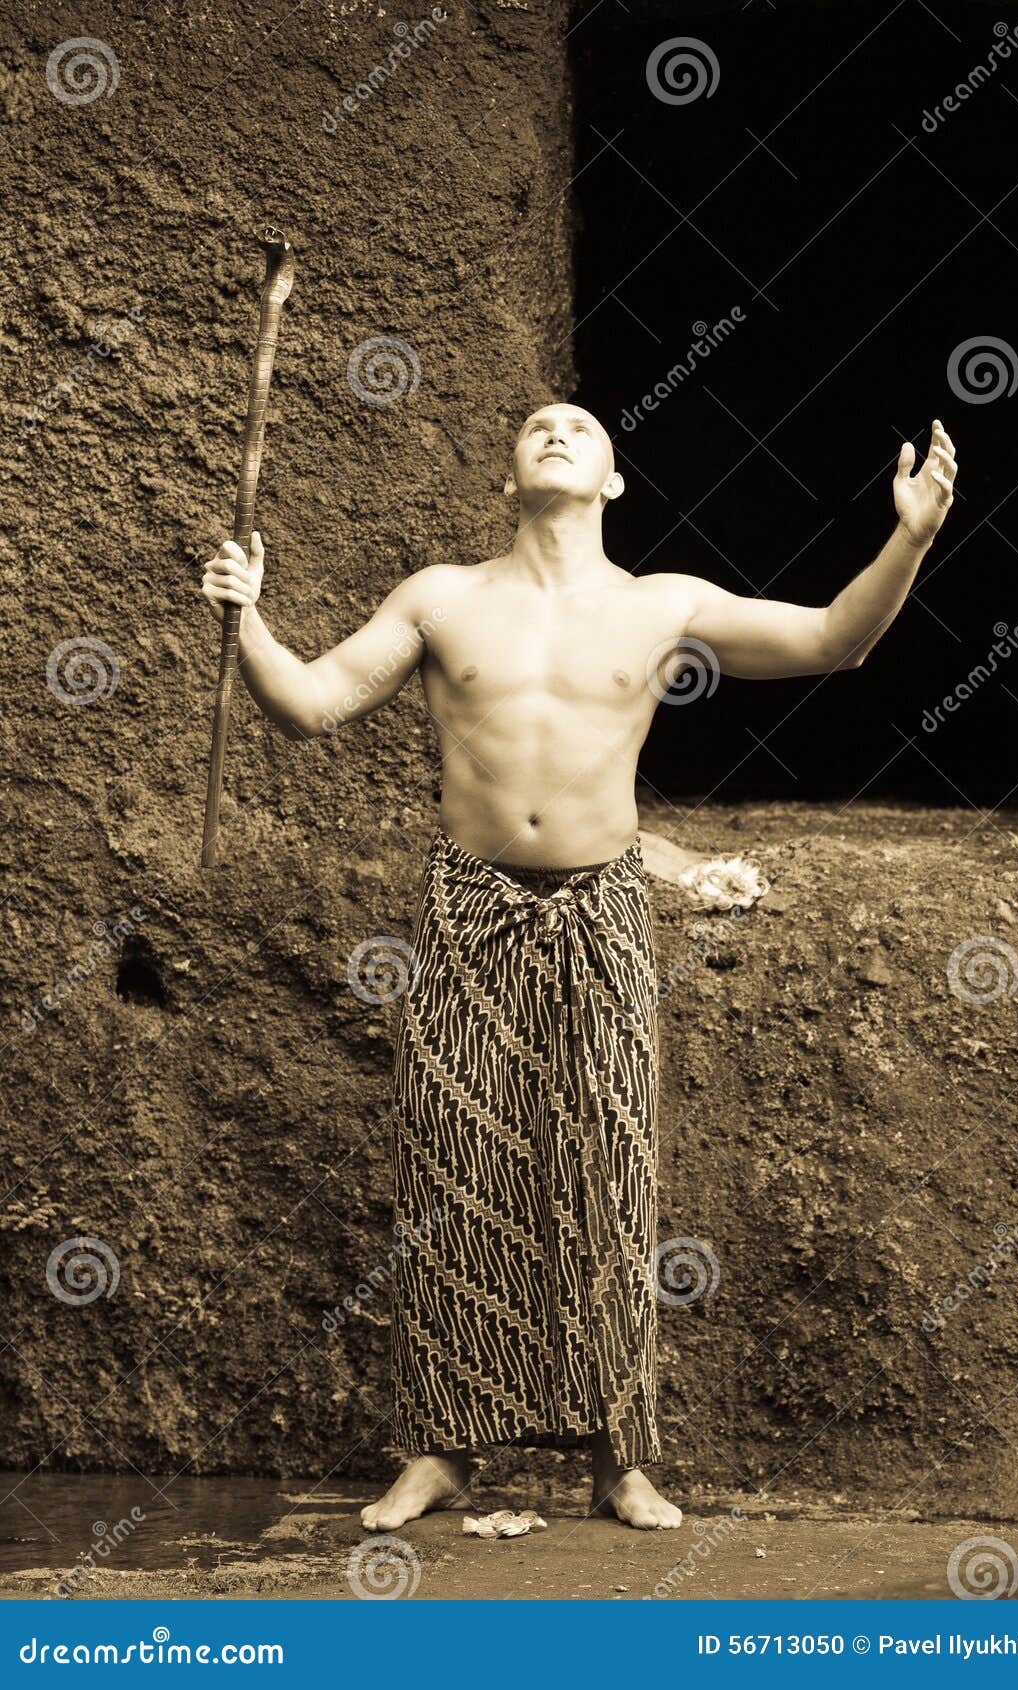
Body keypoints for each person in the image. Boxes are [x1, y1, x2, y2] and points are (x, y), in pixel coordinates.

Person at [201, 402, 957, 1531]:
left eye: (579, 427)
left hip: (602, 905)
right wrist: (247, 617)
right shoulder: (441, 595)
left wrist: (907, 537)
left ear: (611, 480)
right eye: (534, 426)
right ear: (510, 474)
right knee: (453, 1167)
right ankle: (442, 1450)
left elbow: (830, 642)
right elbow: (312, 705)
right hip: (467, 907)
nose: (554, 432)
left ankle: (619, 1460)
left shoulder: (664, 603)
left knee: (605, 1173)